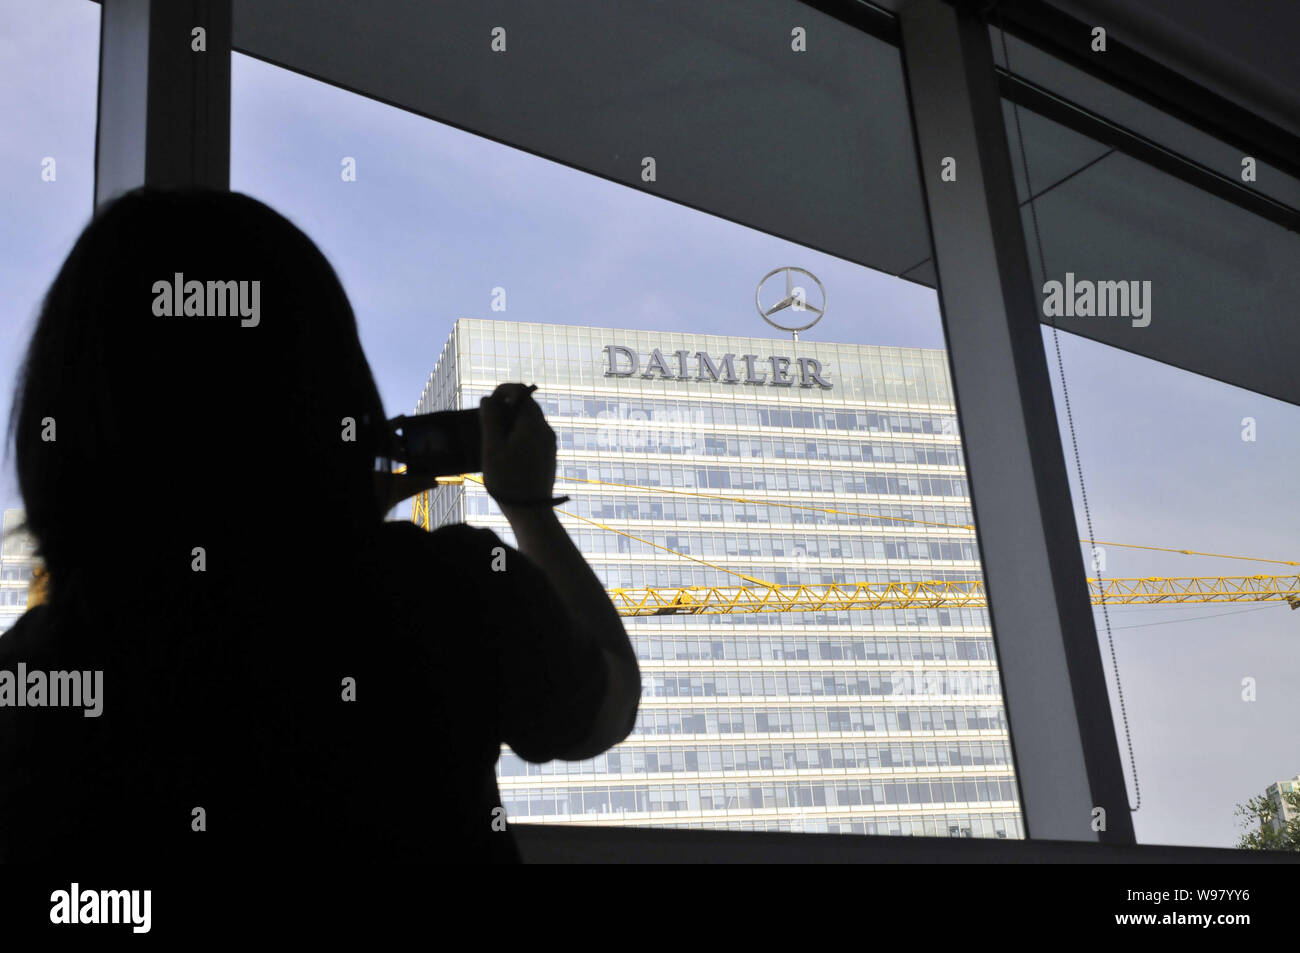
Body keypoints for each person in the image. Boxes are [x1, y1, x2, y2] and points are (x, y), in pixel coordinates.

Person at [0, 188, 640, 862]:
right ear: (330, 388)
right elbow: (607, 704)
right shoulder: (451, 593)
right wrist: (527, 505)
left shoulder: (29, 677)